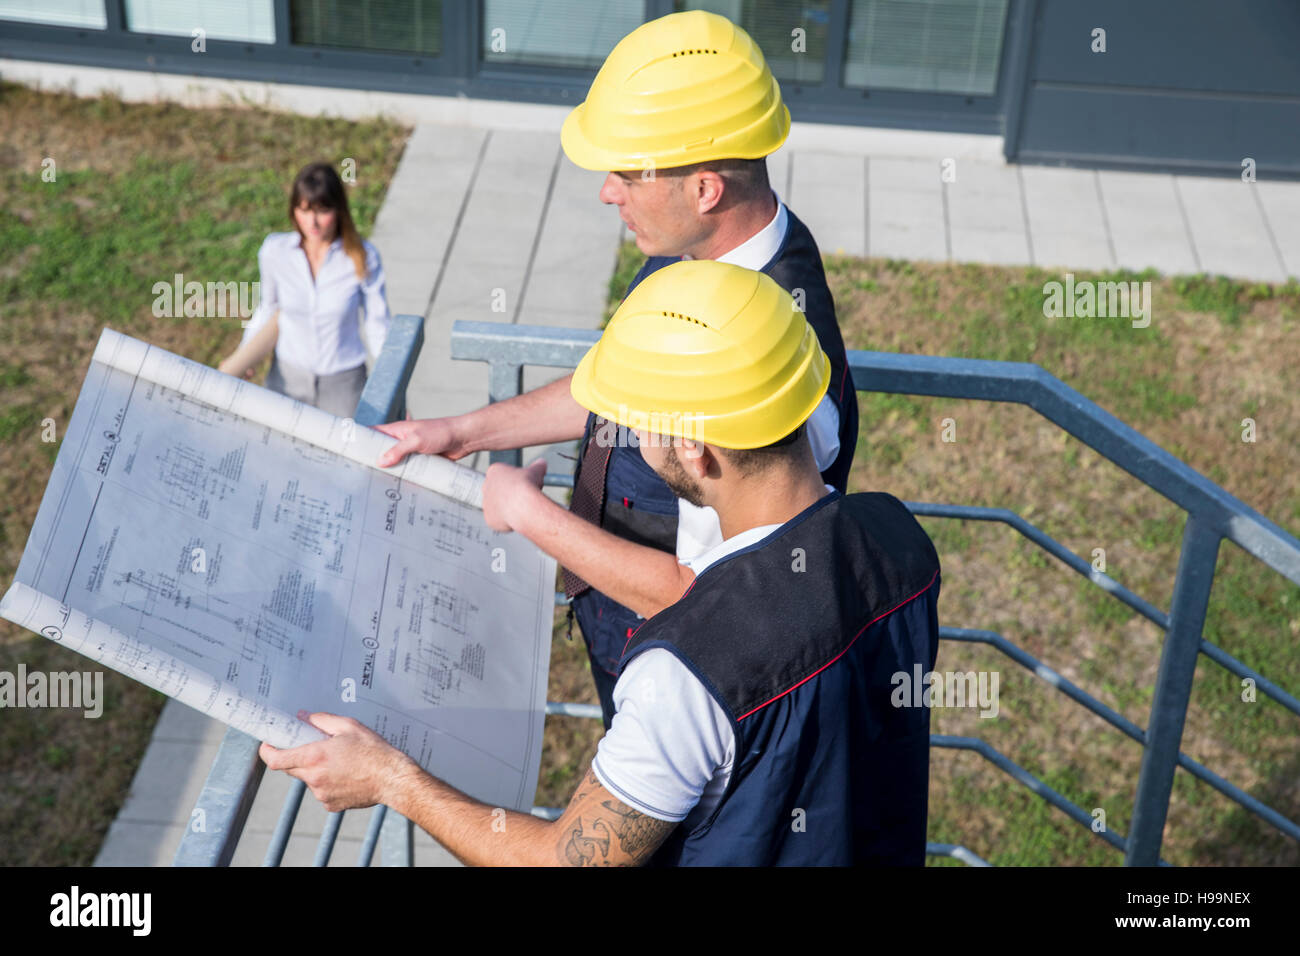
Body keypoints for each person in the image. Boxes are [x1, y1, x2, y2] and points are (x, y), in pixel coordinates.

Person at [260, 260, 942, 866]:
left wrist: (389, 780)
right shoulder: (898, 543)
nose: (628, 432)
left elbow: (567, 861)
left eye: (640, 423)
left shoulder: (681, 677)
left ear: (698, 453)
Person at [374, 11, 859, 725]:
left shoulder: (772, 364)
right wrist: (466, 431)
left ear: (705, 189)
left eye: (631, 172)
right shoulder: (694, 251)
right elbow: (616, 386)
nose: (608, 191)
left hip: (682, 683)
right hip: (624, 636)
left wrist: (526, 512)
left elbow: (695, 592)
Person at [219, 162, 391, 419]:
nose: (312, 222)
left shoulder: (362, 257)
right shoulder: (275, 252)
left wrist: (392, 386)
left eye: (322, 211)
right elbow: (268, 309)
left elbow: (378, 326)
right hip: (287, 378)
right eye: (304, 210)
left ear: (339, 210)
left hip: (343, 383)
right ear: (294, 210)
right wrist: (246, 355)